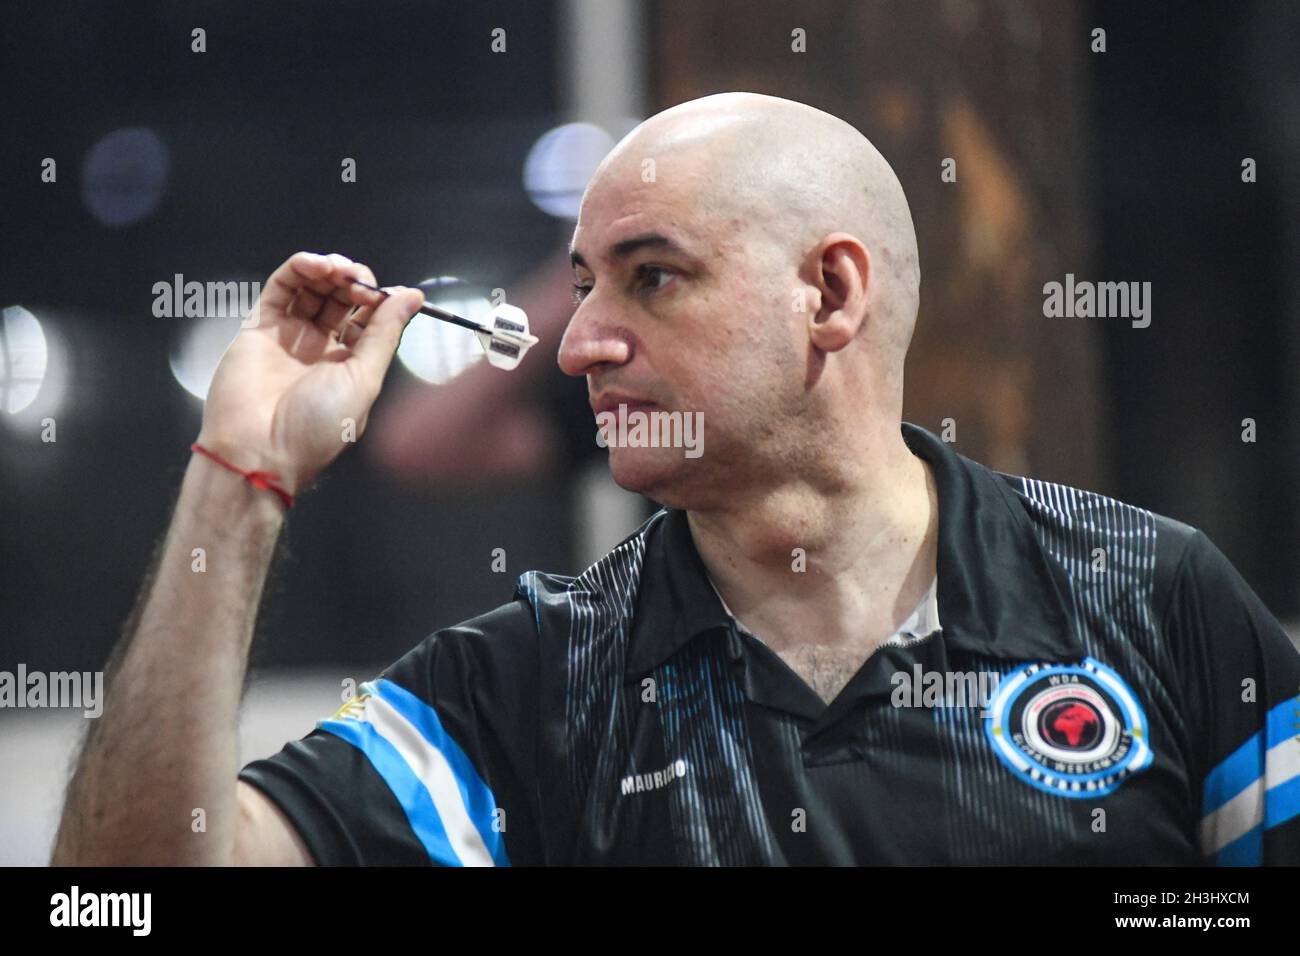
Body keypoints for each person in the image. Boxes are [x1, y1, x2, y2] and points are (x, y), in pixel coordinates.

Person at [51, 92, 1300, 866]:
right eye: (582, 283)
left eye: (649, 276)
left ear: (831, 293)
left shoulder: (1150, 596)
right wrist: (237, 474)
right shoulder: (528, 686)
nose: (582, 339)